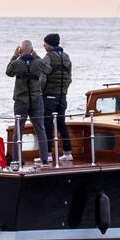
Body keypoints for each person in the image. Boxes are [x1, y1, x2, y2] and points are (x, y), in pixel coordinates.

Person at [6, 40, 50, 166]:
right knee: (40, 129)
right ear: (32, 50)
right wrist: (36, 56)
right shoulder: (38, 62)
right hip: (36, 99)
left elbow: (8, 72)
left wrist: (15, 56)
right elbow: (48, 69)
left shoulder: (17, 63)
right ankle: (44, 159)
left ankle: (16, 160)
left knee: (18, 131)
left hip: (21, 100)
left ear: (20, 50)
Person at [41, 33, 74, 164]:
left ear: (49, 44)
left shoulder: (48, 57)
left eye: (45, 43)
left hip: (49, 95)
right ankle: (68, 153)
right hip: (62, 96)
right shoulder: (66, 57)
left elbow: (43, 78)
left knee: (47, 124)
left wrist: (41, 92)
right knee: (61, 124)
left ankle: (48, 154)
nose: (43, 45)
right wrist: (64, 90)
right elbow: (70, 77)